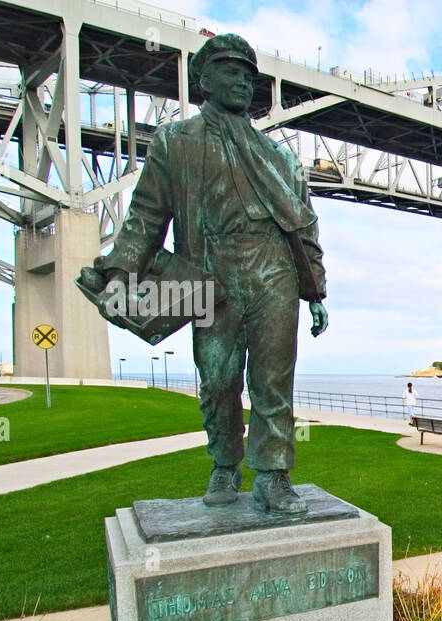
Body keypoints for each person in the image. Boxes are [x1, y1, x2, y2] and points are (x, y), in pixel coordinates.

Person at [89, 33, 328, 514]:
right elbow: (145, 217)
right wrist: (119, 272)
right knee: (218, 380)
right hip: (209, 273)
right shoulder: (175, 142)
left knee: (273, 378)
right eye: (230, 71)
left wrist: (315, 289)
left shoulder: (279, 156)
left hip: (273, 270)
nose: (243, 81)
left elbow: (304, 223)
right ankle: (224, 464)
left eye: (248, 74)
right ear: (204, 80)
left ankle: (273, 474)